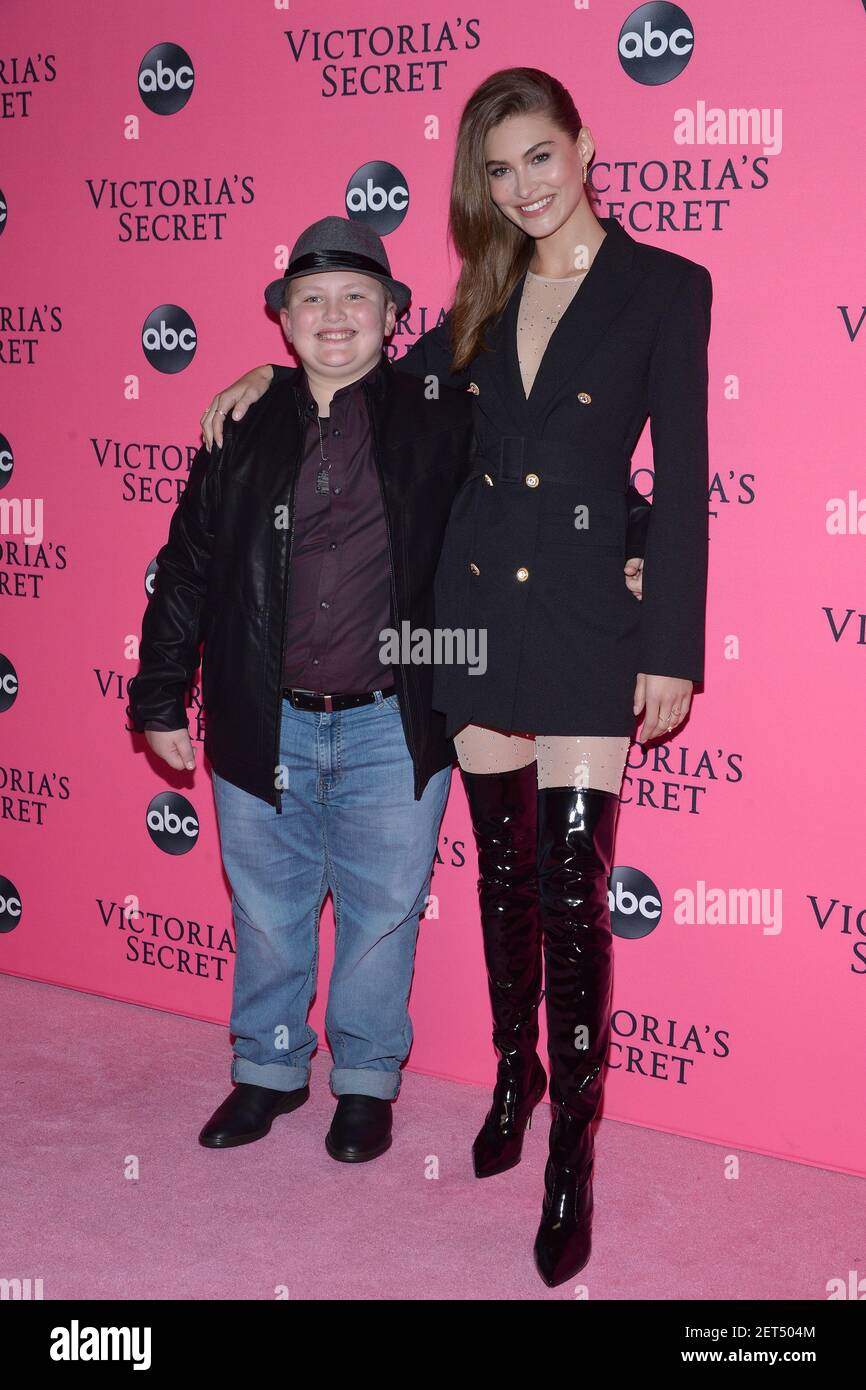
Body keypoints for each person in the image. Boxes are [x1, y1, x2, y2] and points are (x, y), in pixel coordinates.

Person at [199, 67, 712, 1289]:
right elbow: (362, 379)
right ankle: (509, 1074)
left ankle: (570, 1155)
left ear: (582, 148)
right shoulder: (477, 302)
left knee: (572, 896)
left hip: (587, 625)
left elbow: (679, 478)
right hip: (472, 626)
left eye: (538, 156)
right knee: (501, 885)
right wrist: (267, 381)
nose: (522, 186)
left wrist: (671, 639)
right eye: (497, 170)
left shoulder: (663, 287)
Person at [126, 217, 475, 1164]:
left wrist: (638, 541)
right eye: (311, 298)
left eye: (356, 297)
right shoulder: (240, 426)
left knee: (382, 914)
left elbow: (542, 478)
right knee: (269, 911)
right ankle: (269, 1071)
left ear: (394, 315)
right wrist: (159, 698)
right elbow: (188, 568)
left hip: (391, 724)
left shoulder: (443, 416)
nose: (334, 316)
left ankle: (365, 1083)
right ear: (282, 321)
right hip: (257, 715)